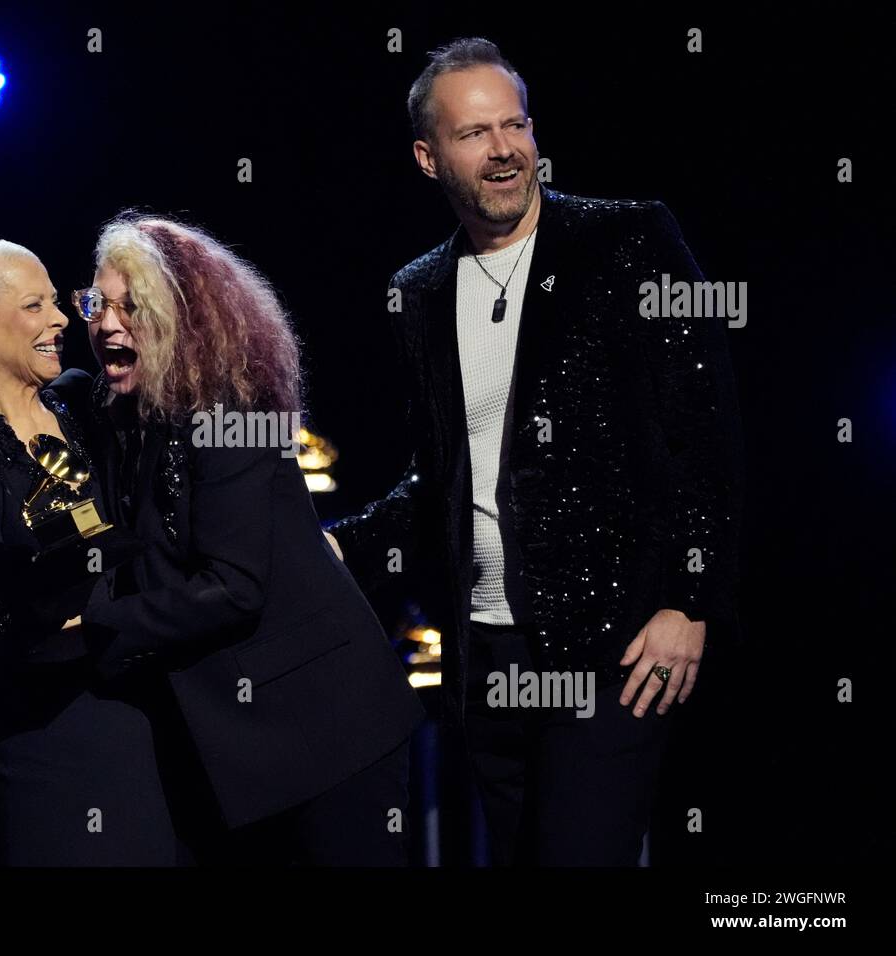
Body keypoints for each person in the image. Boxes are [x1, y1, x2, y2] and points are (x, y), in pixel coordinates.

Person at [326, 37, 744, 865]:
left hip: (614, 646)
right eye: (476, 133)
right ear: (427, 155)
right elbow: (441, 477)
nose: (505, 149)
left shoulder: (625, 241)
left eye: (514, 125)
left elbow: (705, 432)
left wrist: (690, 601)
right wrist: (336, 546)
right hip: (485, 656)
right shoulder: (418, 289)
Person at [72, 213, 425, 865]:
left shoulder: (232, 416)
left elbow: (232, 589)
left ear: (184, 320)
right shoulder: (125, 416)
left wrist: (91, 627)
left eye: (132, 306)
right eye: (96, 303)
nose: (107, 323)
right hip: (232, 749)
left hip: (326, 730)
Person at [0, 237, 180, 865]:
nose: (60, 320)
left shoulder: (84, 402)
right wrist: (72, 600)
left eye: (58, 302)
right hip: (50, 739)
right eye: (34, 306)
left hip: (150, 716)